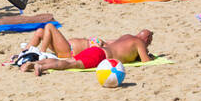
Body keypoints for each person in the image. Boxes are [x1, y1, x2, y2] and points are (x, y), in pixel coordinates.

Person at [27, 30, 156, 76]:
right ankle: (42, 66)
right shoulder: (139, 43)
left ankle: (34, 63)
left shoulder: (127, 36)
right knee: (68, 64)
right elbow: (146, 61)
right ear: (147, 39)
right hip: (100, 57)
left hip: (96, 50)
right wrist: (152, 57)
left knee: (67, 61)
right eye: (149, 42)